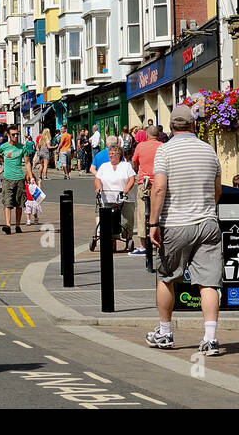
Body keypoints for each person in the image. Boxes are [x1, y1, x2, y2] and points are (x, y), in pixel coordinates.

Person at [145, 104, 224, 355]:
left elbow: (159, 188)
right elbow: (217, 191)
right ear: (194, 125)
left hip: (175, 223)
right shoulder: (209, 150)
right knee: (209, 282)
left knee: (166, 277)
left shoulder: (165, 151)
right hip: (208, 224)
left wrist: (153, 223)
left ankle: (165, 333)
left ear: (170, 127)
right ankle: (210, 339)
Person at [94, 144, 137, 248]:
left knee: (126, 221)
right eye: (109, 153)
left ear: (119, 154)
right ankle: (112, 242)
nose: (110, 155)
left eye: (113, 153)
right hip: (107, 197)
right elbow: (97, 179)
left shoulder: (126, 165)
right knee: (109, 222)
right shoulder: (104, 166)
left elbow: (132, 179)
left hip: (124, 198)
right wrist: (98, 187)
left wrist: (126, 190)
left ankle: (127, 238)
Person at [132, 128, 163, 257]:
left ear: (147, 135)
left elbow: (134, 162)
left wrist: (139, 170)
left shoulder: (141, 146)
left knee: (142, 212)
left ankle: (143, 245)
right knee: (159, 212)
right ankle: (159, 243)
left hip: (144, 183)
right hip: (159, 182)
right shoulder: (163, 146)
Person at [0, 127, 34, 235]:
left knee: (19, 203)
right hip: (7, 178)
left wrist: (31, 176)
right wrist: (4, 165)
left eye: (17, 134)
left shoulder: (22, 148)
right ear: (9, 135)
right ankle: (8, 225)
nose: (16, 136)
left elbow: (27, 163)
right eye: (13, 134)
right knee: (7, 202)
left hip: (19, 178)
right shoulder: (3, 147)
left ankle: (18, 225)